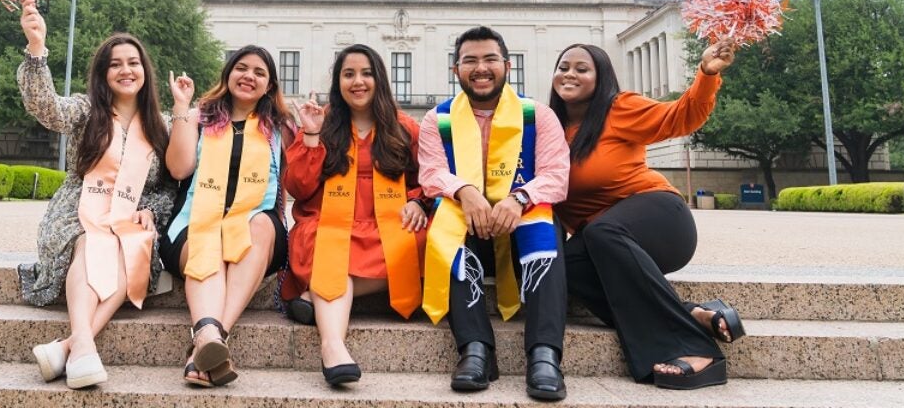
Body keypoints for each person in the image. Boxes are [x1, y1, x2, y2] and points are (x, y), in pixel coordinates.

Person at [550, 40, 743, 390]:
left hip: (660, 220)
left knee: (599, 231)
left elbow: (681, 116)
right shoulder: (548, 131)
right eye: (563, 67)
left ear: (600, 77)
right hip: (607, 245)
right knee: (562, 267)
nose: (569, 74)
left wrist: (706, 74)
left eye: (581, 68)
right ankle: (693, 314)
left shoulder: (619, 108)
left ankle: (698, 352)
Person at [17, 3, 178, 390]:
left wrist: (151, 212)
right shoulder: (86, 110)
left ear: (145, 71)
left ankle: (70, 347)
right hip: (79, 210)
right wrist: (37, 49)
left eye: (133, 63)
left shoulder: (162, 125)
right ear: (104, 74)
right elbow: (47, 109)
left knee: (131, 249)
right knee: (91, 242)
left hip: (129, 215)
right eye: (115, 64)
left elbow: (169, 186)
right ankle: (85, 346)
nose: (126, 70)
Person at [417, 26, 570, 402]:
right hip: (470, 227)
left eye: (490, 59)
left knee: (545, 224)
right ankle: (475, 349)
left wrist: (518, 198)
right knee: (447, 224)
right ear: (456, 70)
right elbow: (431, 173)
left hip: (519, 228)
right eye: (470, 60)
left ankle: (544, 355)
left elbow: (555, 176)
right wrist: (466, 192)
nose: (480, 68)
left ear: (507, 65)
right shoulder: (438, 120)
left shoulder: (537, 116)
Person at [280, 44, 429, 387]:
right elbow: (299, 188)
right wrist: (311, 135)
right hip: (327, 224)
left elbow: (427, 180)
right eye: (349, 74)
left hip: (385, 227)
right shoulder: (322, 122)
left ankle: (313, 296)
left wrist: (418, 202)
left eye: (366, 74)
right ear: (338, 82)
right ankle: (332, 347)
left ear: (380, 80)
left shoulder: (404, 128)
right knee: (328, 248)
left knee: (424, 241)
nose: (358, 81)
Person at [160, 45, 293, 388]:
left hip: (255, 232)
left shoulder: (280, 129)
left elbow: (299, 184)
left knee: (259, 223)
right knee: (209, 239)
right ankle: (209, 347)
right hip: (194, 224)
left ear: (269, 85)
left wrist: (311, 134)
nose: (249, 76)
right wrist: (180, 108)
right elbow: (178, 169)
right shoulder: (198, 118)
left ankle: (209, 337)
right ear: (228, 74)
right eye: (241, 68)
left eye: (259, 72)